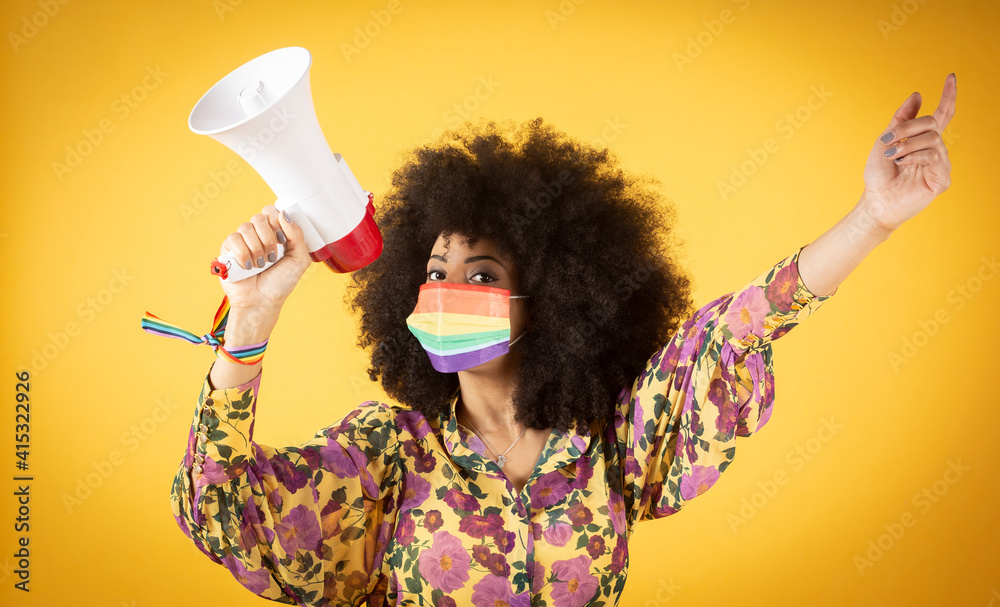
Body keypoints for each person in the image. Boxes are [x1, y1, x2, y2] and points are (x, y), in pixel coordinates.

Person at [165, 74, 955, 606]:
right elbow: (220, 510)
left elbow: (734, 331)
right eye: (434, 271)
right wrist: (251, 317)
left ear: (546, 298)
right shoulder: (388, 453)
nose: (445, 292)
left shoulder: (609, 443)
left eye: (478, 275)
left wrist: (873, 219)